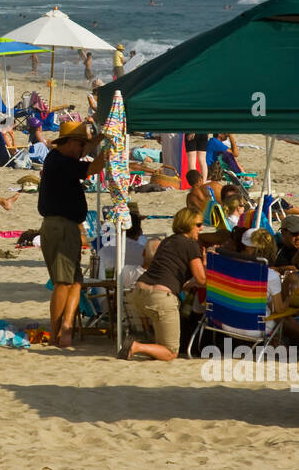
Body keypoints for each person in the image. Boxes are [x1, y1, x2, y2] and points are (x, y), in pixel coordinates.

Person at [38, 121, 108, 348]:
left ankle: (66, 328)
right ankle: (56, 332)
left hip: (64, 225)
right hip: (61, 227)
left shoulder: (58, 158)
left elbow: (83, 153)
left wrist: (98, 139)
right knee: (63, 282)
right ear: (69, 144)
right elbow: (93, 168)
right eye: (79, 145)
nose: (82, 150)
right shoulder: (62, 162)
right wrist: (110, 150)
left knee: (76, 281)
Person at [120, 208, 205, 361]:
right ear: (188, 224)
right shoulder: (191, 245)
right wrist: (205, 262)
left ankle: (147, 348)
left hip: (140, 291)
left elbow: (168, 271)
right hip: (160, 298)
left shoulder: (167, 241)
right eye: (198, 224)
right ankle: (136, 346)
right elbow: (201, 280)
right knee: (171, 352)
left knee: (162, 343)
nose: (201, 228)